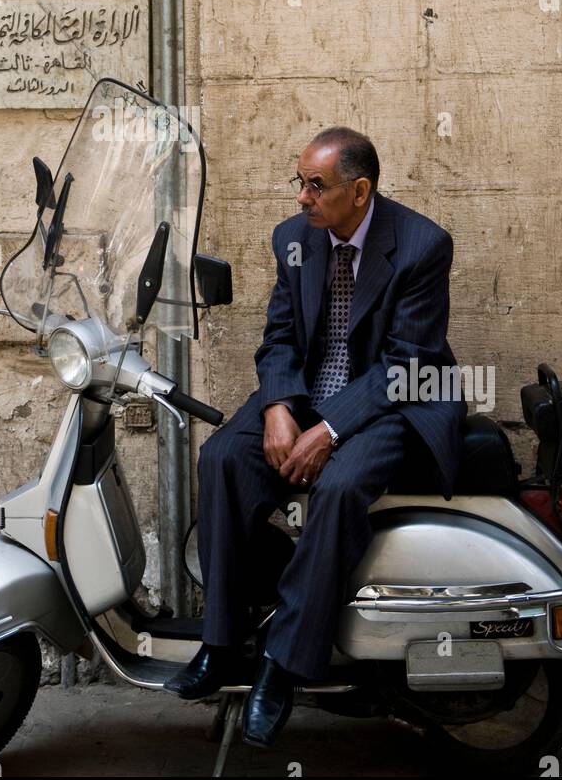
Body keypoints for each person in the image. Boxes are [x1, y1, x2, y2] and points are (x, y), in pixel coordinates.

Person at [165, 127, 467, 748]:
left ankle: (284, 660)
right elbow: (279, 338)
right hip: (305, 393)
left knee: (338, 486)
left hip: (391, 403)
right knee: (221, 456)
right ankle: (223, 641)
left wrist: (329, 429)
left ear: (359, 191)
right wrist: (278, 406)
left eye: (316, 185)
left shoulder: (421, 246)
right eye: (298, 181)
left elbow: (409, 364)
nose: (302, 197)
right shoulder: (293, 239)